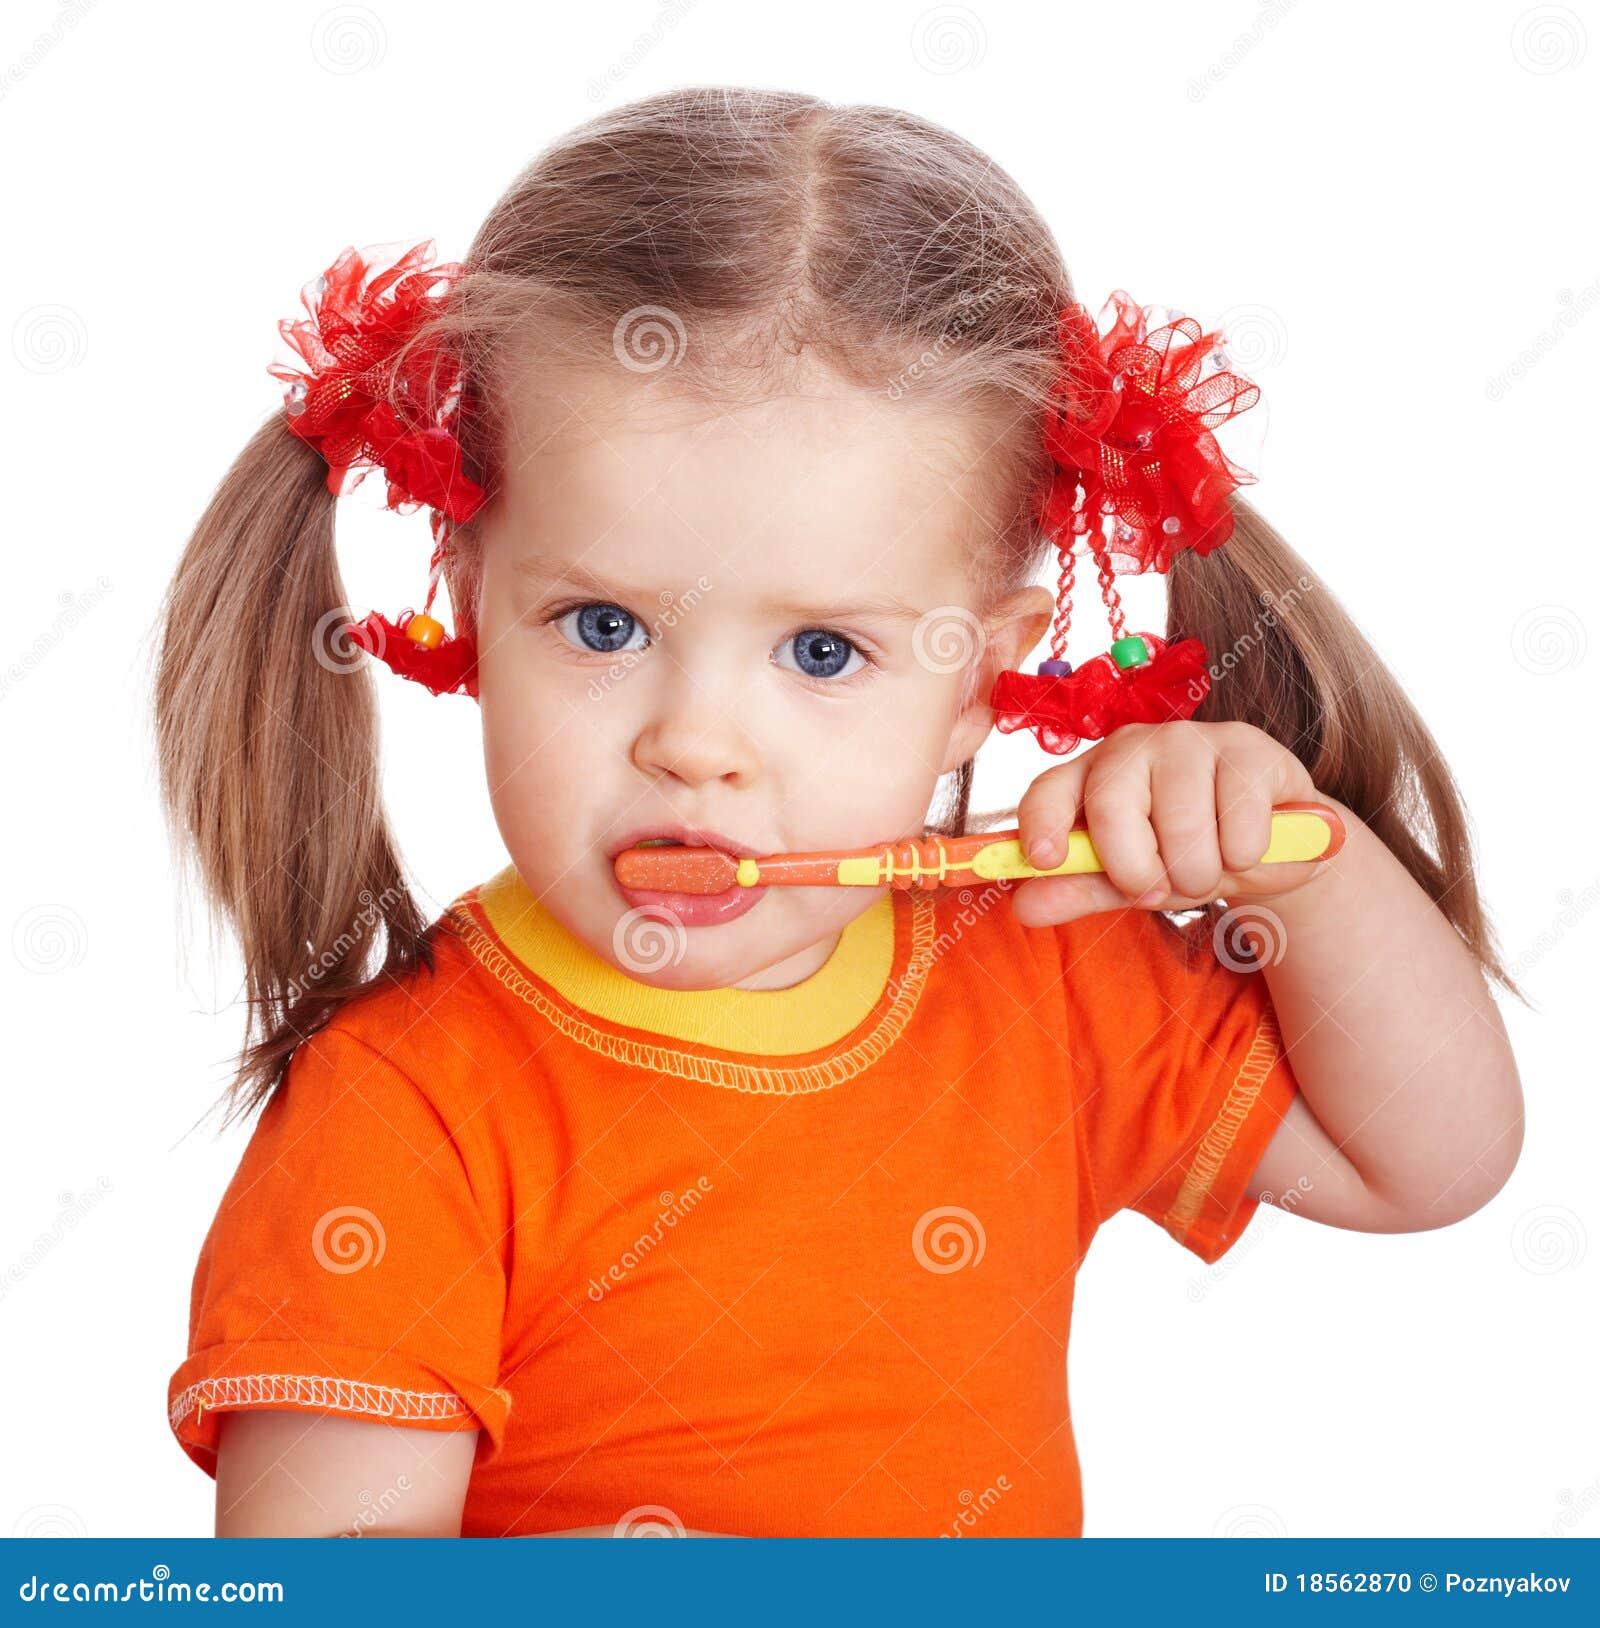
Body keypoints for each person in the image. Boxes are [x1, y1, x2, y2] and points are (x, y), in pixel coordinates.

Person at [154, 86, 1522, 1538]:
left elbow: (1426, 1164)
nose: (695, 745)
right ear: (470, 598)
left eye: (821, 653)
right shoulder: (407, 1106)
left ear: (980, 681)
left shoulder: (1045, 969)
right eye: (605, 627)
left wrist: (1301, 874)